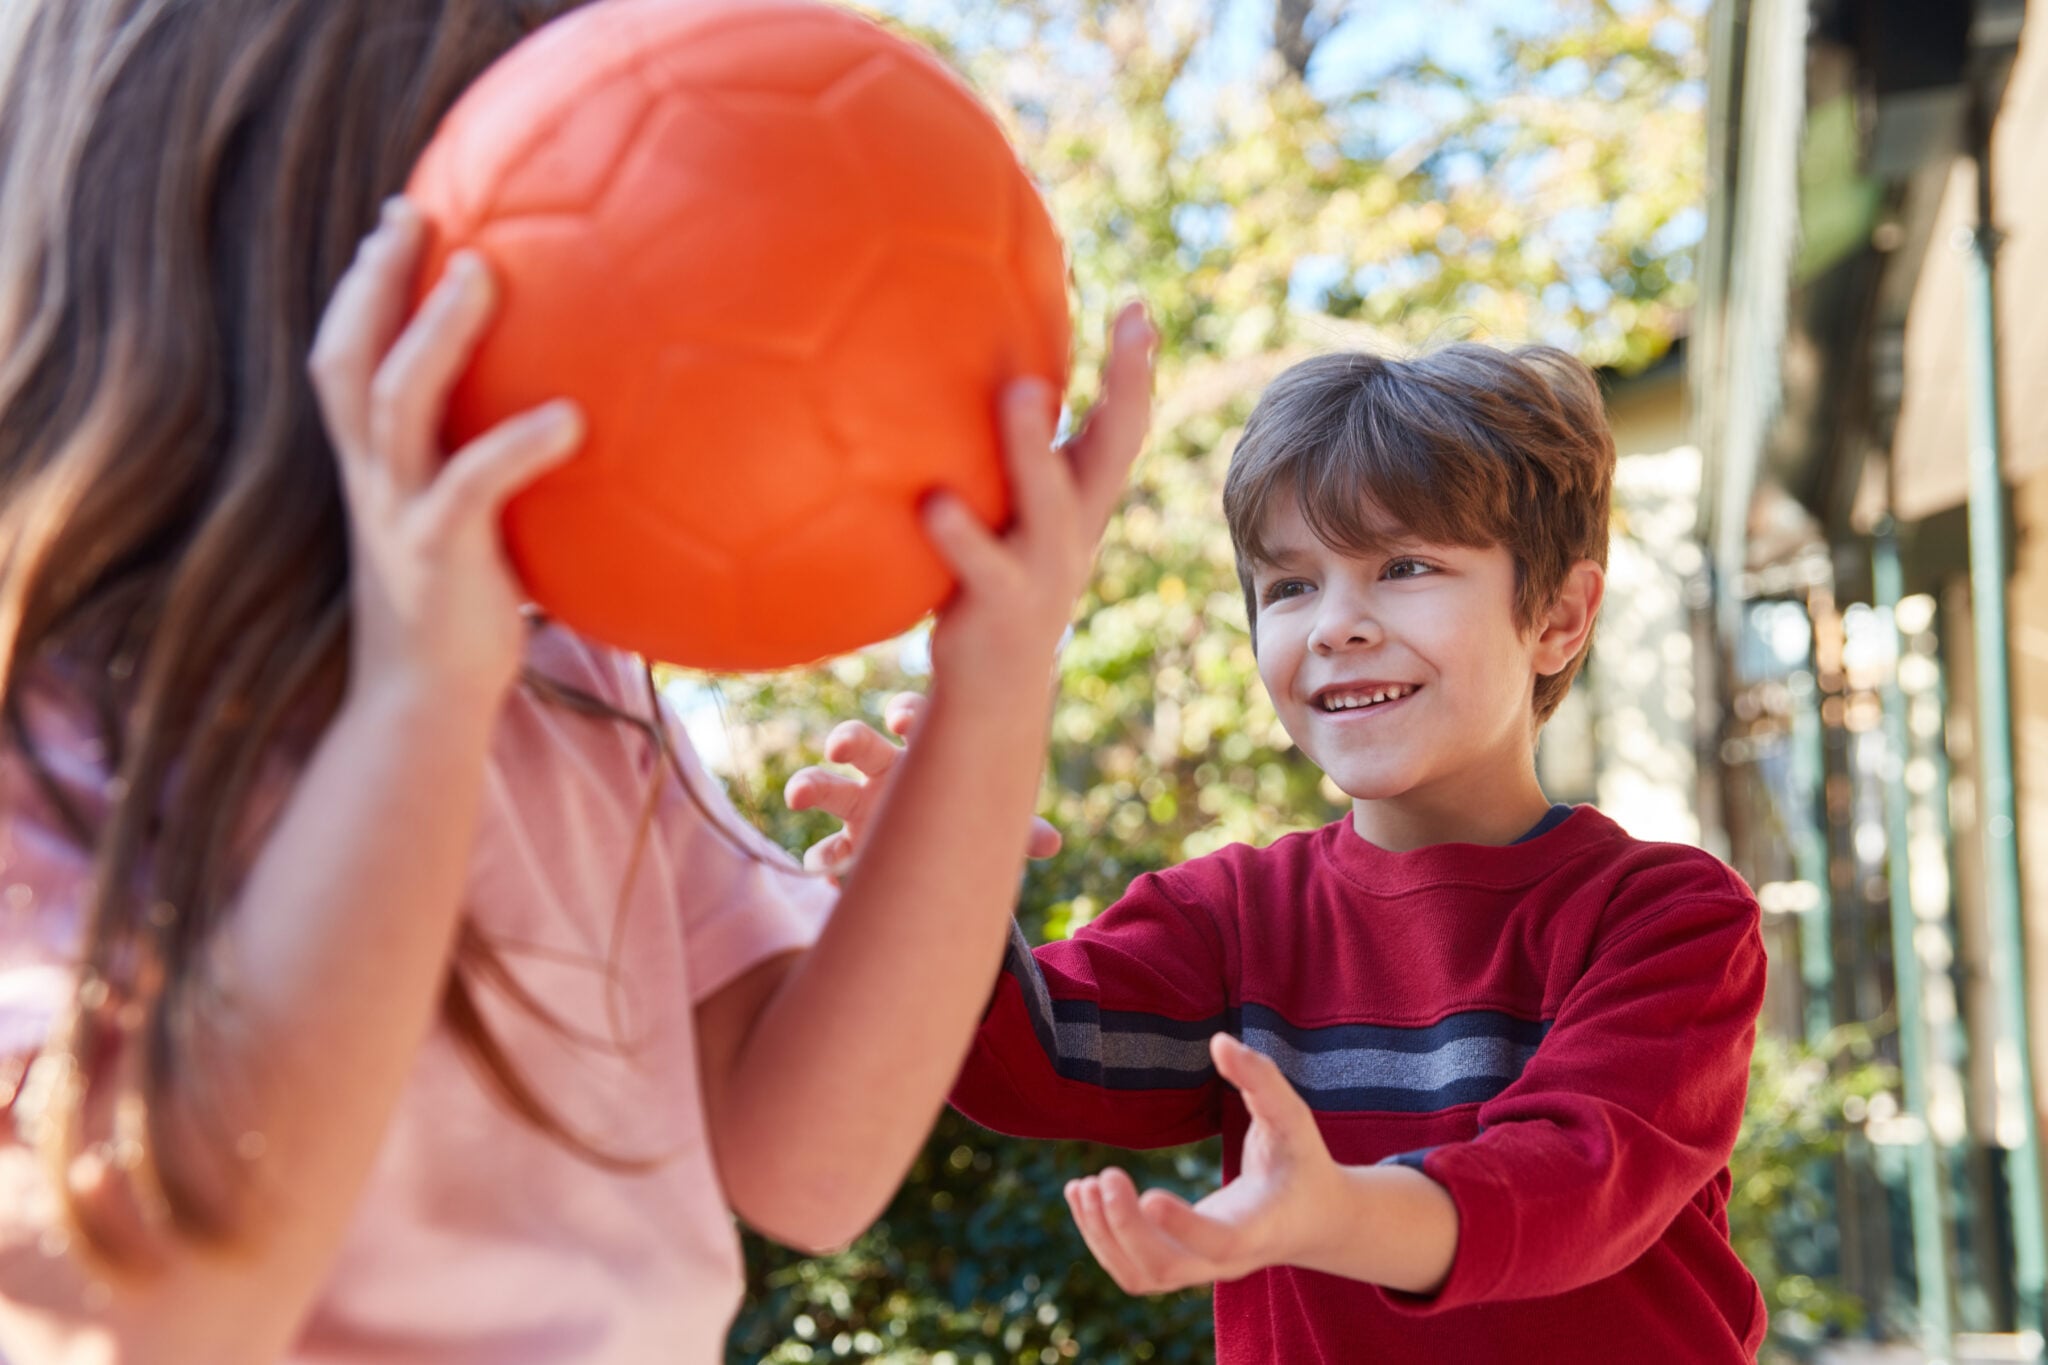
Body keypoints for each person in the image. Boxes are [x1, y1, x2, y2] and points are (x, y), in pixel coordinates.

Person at [0, 3, 1154, 1361]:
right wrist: (414, 702)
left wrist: (996, 689)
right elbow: (153, 1320)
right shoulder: (51, 711)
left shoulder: (570, 678)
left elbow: (811, 1166)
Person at [791, 344, 1769, 1362]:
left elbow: (1573, 1182)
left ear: (1558, 618)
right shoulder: (1229, 917)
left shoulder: (1667, 917)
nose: (1336, 624)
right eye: (1291, 585)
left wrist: (1329, 1214)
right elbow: (1030, 1061)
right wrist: (923, 883)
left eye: (1404, 567)